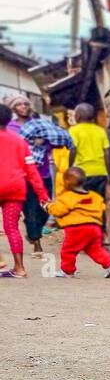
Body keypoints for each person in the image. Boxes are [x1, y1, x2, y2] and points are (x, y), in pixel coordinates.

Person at [0, 103, 50, 278]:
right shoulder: (19, 141)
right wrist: (43, 195)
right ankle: (19, 268)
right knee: (11, 228)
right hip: (15, 187)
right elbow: (31, 171)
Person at [16, 105, 74, 255]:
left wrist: (42, 142)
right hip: (27, 178)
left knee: (44, 209)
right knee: (31, 210)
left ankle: (32, 230)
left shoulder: (49, 137)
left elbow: (62, 142)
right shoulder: (22, 137)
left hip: (44, 177)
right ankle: (37, 243)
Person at [44, 166, 110, 278]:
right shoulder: (94, 196)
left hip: (77, 229)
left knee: (68, 250)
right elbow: (102, 207)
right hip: (95, 228)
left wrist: (48, 206)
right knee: (95, 249)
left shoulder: (67, 197)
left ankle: (68, 271)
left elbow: (58, 210)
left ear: (66, 182)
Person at [67, 103, 110, 198]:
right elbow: (107, 153)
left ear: (77, 116)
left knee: (84, 201)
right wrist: (108, 172)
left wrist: (69, 167)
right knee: (99, 200)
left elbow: (73, 149)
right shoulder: (100, 130)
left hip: (82, 174)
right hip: (100, 173)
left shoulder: (73, 130)